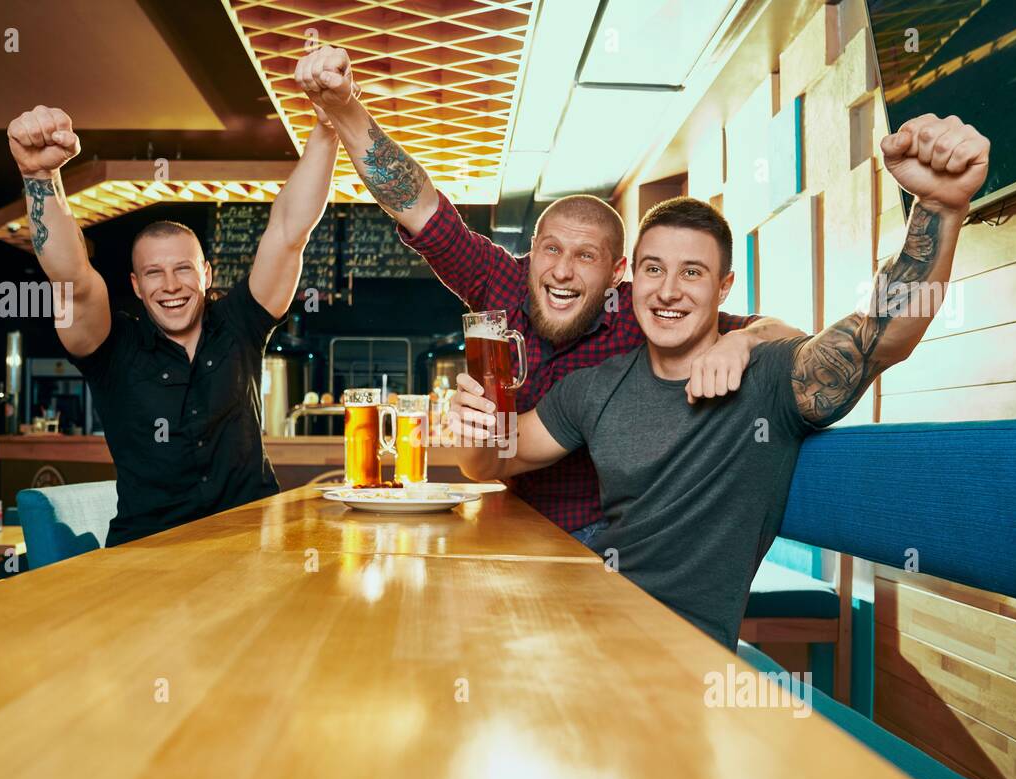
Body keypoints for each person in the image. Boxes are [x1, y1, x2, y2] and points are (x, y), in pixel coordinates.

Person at [451, 114, 989, 649]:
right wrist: (473, 428)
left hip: (674, 660)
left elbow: (881, 335)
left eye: (692, 272)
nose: (668, 291)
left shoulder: (769, 379)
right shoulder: (593, 388)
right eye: (654, 269)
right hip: (577, 618)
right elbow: (497, 458)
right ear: (631, 278)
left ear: (724, 286)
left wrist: (939, 208)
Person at [293, 45, 806, 546]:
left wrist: (742, 342)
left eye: (586, 256)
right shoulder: (501, 280)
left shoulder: (643, 311)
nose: (561, 271)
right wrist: (343, 106)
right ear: (532, 250)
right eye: (552, 249)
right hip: (510, 523)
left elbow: (786, 335)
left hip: (608, 541)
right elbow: (415, 202)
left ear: (617, 272)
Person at [5, 104, 337, 546]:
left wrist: (329, 127)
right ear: (136, 286)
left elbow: (289, 231)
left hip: (252, 550)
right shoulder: (111, 346)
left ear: (207, 275)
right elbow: (71, 278)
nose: (171, 285)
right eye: (154, 273)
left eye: (184, 269)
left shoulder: (240, 323)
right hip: (150, 558)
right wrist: (39, 177)